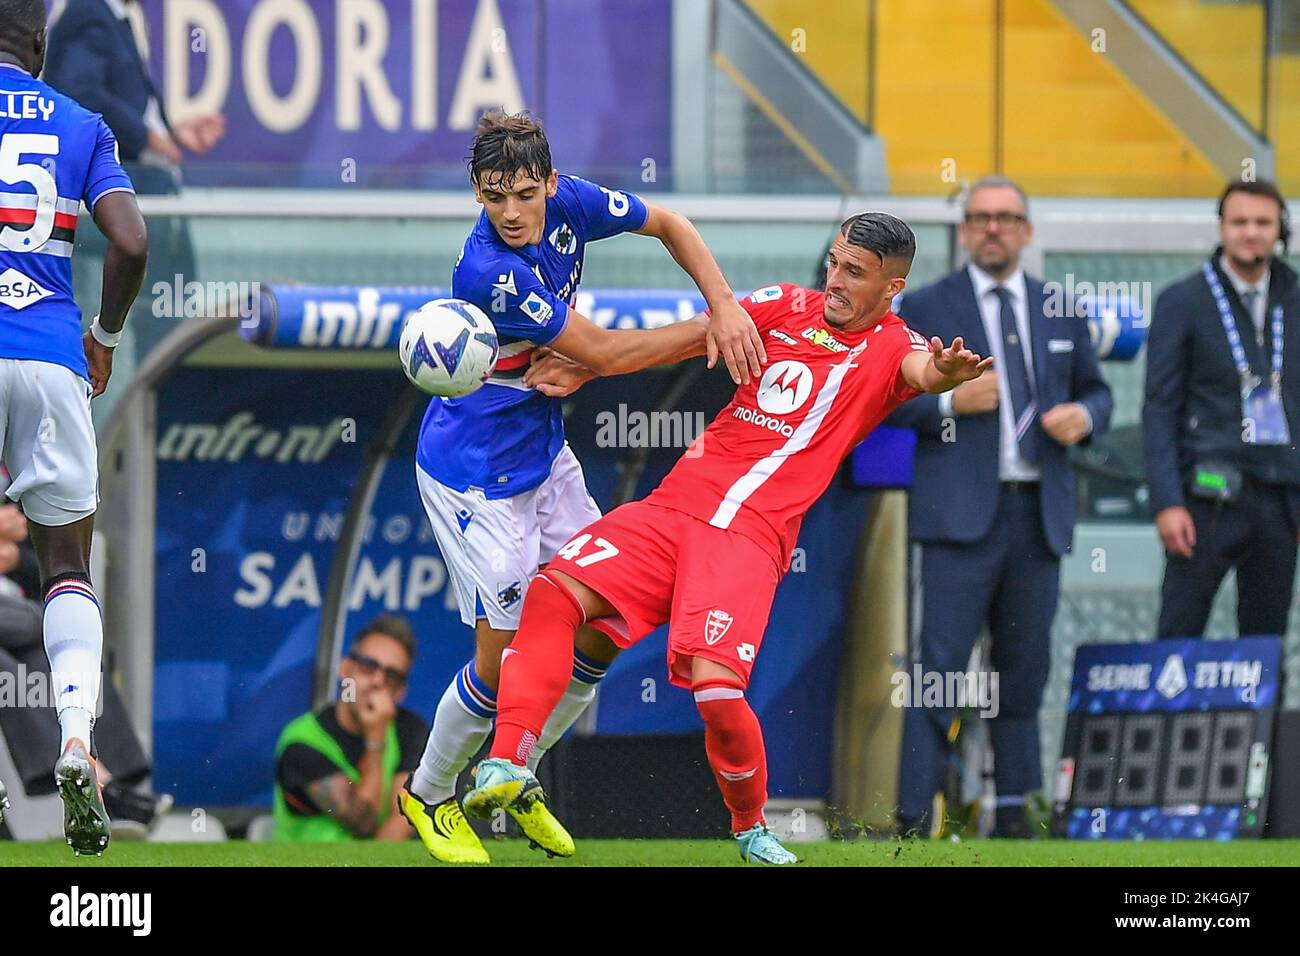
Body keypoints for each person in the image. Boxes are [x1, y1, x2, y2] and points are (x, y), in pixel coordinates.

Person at [460, 212, 991, 865]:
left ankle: (751, 827)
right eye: (833, 262)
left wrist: (945, 374)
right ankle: (506, 764)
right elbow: (686, 339)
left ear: (892, 287)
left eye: (855, 272)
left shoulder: (890, 346)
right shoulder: (782, 304)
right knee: (553, 594)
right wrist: (593, 368)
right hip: (673, 510)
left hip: (747, 538)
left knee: (715, 691)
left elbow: (921, 372)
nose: (836, 280)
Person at [399, 110, 764, 864]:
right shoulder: (486, 272)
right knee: (506, 661)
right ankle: (428, 795)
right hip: (475, 478)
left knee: (600, 622)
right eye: (494, 197)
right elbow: (600, 349)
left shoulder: (573, 205)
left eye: (525, 194)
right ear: (476, 192)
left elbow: (670, 222)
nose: (511, 212)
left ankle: (517, 773)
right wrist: (710, 331)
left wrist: (726, 303)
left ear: (551, 185)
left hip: (543, 452)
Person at [885, 176, 1112, 838]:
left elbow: (1100, 393)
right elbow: (880, 404)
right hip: (957, 523)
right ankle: (908, 825)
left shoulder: (1060, 308)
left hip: (1038, 518)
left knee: (1024, 676)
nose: (993, 228)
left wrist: (1085, 416)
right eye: (980, 217)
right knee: (938, 679)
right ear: (963, 232)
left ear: (1026, 230)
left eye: (1006, 217)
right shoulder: (925, 306)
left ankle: (1020, 821)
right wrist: (951, 403)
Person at [0, 0, 149, 855]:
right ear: (41, 44)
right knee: (65, 563)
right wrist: (105, 339)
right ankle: (76, 744)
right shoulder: (80, 122)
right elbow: (130, 243)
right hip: (54, 359)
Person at [1145, 179, 1300, 639]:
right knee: (1178, 634)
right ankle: (1170, 714)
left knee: (1266, 642)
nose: (1250, 232)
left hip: (1279, 497)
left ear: (1280, 230)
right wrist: (1167, 501)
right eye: (1239, 222)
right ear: (1222, 228)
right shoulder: (1183, 301)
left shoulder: (1294, 298)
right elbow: (1159, 408)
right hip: (1204, 498)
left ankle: (1262, 716)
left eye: (1262, 222)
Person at [44, 0, 224, 366]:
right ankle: (155, 406)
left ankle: (159, 401)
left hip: (148, 190)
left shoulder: (117, 19)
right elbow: (80, 93)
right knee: (157, 318)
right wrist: (148, 139)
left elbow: (115, 102)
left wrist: (172, 134)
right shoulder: (88, 12)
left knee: (166, 311)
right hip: (131, 194)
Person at [0, 504, 169, 835]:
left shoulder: (18, 481)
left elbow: (54, 569)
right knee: (31, 643)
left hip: (15, 620)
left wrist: (17, 560)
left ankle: (100, 780)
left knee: (63, 657)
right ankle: (104, 788)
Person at [274, 615, 428, 841]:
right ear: (345, 669)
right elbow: (363, 822)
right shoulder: (301, 742)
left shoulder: (410, 729)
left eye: (391, 675)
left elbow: (403, 818)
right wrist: (376, 740)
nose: (377, 681)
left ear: (401, 691)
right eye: (368, 666)